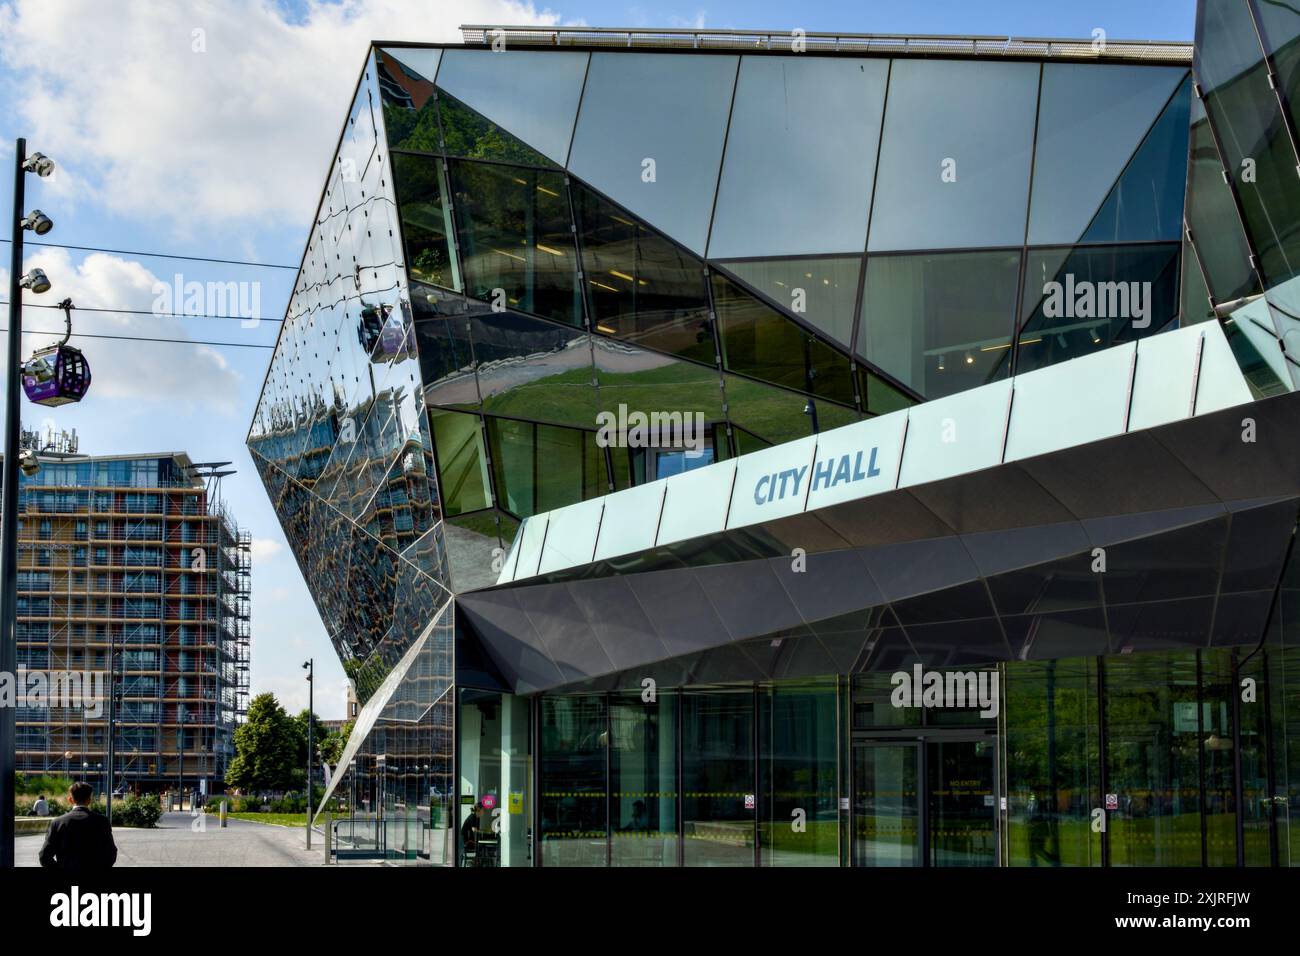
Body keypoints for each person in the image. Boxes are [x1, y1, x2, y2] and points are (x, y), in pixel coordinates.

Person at [39, 781, 117, 869]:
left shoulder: (58, 822)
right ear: (89, 800)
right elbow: (111, 853)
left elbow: (44, 856)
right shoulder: (102, 821)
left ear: (70, 800)